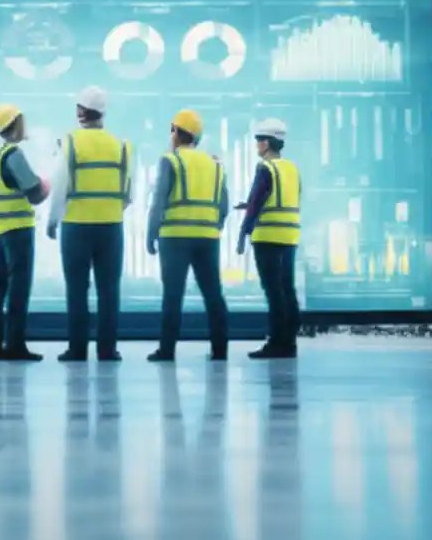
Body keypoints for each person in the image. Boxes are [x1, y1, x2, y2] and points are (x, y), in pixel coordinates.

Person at [47, 86, 132, 362]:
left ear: (80, 112)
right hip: (111, 227)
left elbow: (60, 185)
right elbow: (129, 192)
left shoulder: (70, 142)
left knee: (77, 290)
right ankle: (108, 350)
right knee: (109, 291)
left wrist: (53, 219)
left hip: (76, 226)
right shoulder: (121, 145)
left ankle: (78, 349)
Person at [145, 109, 230, 362]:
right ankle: (219, 350)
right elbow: (223, 205)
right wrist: (214, 227)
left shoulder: (170, 161)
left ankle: (167, 350)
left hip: (175, 237)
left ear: (175, 132)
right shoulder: (215, 165)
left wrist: (151, 234)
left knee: (173, 294)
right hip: (207, 237)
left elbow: (158, 201)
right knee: (213, 294)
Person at [0, 104, 50, 362]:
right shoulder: (13, 155)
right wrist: (48, 184)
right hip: (16, 231)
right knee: (18, 289)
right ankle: (15, 346)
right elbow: (34, 193)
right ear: (15, 124)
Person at [237, 118, 301, 360]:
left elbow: (256, 203)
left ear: (266, 143)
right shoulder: (291, 168)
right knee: (287, 288)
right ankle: (289, 342)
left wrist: (244, 232)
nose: (256, 146)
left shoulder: (265, 168)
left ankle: (276, 343)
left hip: (268, 237)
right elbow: (285, 199)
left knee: (273, 292)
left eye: (258, 140)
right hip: (289, 235)